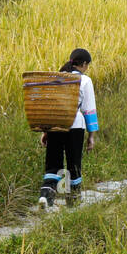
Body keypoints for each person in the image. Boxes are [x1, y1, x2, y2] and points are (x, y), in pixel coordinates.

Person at [38, 48, 98, 209]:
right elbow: (89, 109)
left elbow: (50, 106)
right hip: (75, 125)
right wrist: (91, 136)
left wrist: (46, 131)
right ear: (84, 64)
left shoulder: (56, 79)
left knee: (53, 164)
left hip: (55, 124)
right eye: (87, 65)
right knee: (74, 163)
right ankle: (72, 200)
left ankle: (46, 197)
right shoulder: (85, 81)